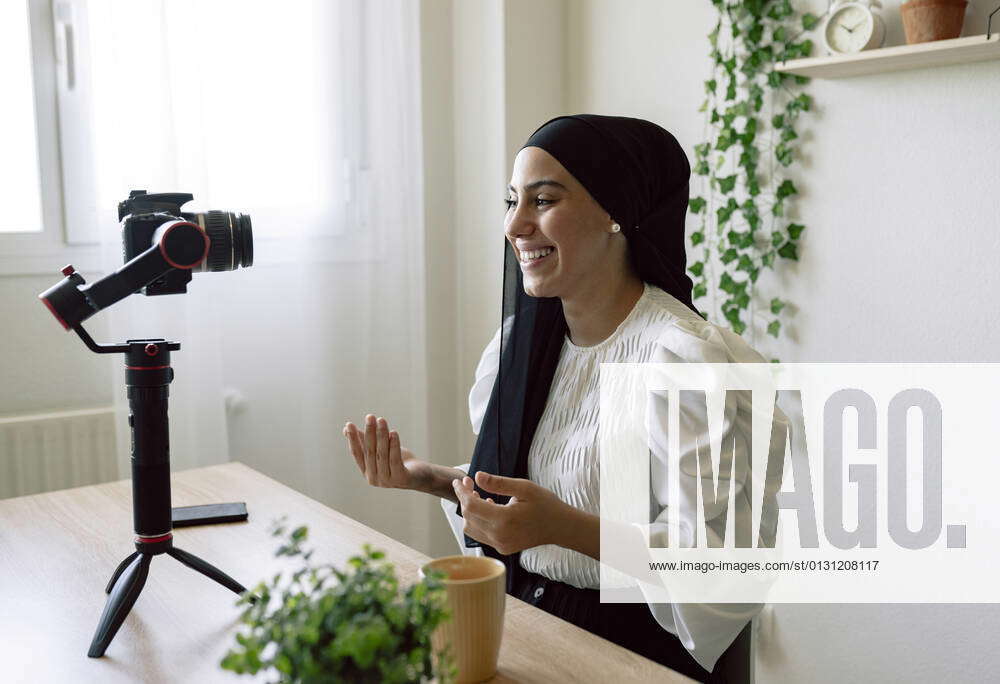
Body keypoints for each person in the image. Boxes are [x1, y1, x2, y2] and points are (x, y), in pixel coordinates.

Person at [343, 114, 786, 683]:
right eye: (511, 201)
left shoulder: (686, 363)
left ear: (614, 212)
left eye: (543, 201)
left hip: (639, 656)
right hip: (525, 624)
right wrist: (432, 479)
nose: (515, 225)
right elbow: (532, 507)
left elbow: (721, 566)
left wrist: (562, 528)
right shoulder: (521, 345)